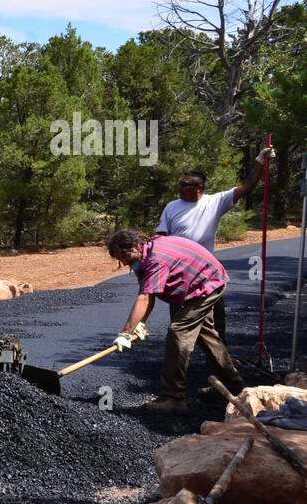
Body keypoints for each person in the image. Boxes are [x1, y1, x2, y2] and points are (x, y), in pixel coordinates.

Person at [105, 229, 243, 413]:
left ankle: (173, 397)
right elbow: (148, 294)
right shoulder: (143, 255)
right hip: (196, 285)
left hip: (207, 283)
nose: (124, 262)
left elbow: (145, 298)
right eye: (119, 259)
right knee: (205, 335)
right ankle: (234, 387)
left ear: (137, 246)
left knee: (178, 331)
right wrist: (139, 326)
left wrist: (125, 334)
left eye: (125, 255)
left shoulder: (156, 259)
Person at [156, 147, 273, 341]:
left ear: (199, 188)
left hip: (206, 272)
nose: (180, 187)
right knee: (179, 322)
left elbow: (246, 187)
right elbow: (161, 236)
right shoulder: (171, 207)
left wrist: (260, 162)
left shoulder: (215, 202)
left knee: (217, 323)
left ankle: (221, 366)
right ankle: (180, 362)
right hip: (179, 273)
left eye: (186, 185)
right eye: (180, 183)